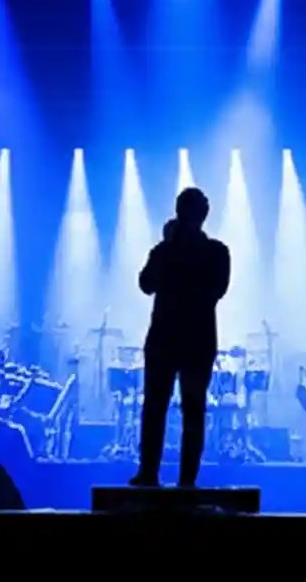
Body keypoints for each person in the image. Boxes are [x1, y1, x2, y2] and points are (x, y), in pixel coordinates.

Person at [130, 187, 231, 487]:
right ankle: (186, 480)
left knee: (156, 407)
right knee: (193, 409)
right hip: (198, 340)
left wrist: (169, 250)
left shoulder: (165, 251)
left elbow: (145, 284)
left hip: (165, 337)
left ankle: (149, 473)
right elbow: (216, 291)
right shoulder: (216, 252)